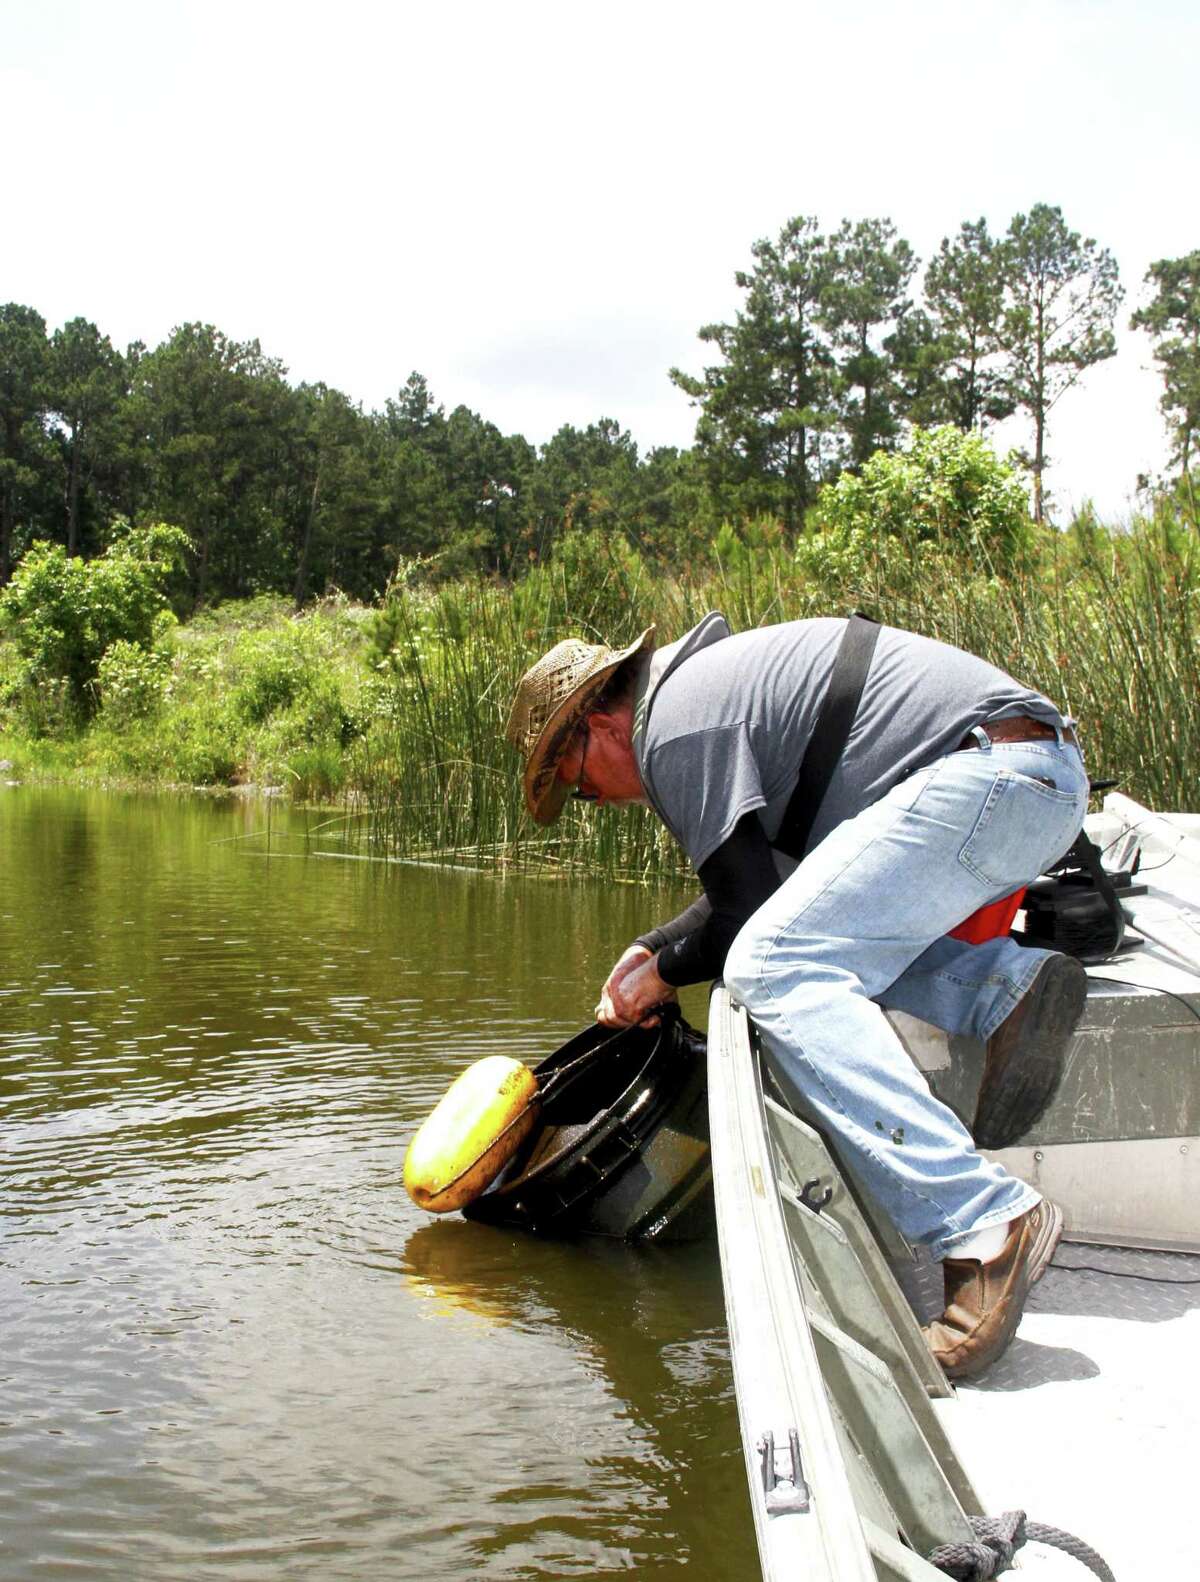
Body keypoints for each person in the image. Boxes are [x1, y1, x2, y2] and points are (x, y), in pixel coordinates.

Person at [506, 613, 1090, 1379]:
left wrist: (668, 971)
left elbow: (750, 923)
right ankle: (998, 991)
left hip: (997, 782)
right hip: (1026, 785)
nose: (597, 801)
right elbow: (775, 889)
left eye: (579, 785)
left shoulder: (674, 732)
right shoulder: (696, 702)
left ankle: (983, 1223)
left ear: (599, 724)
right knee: (812, 942)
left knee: (772, 967)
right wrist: (657, 949)